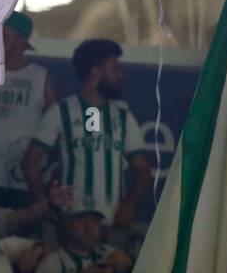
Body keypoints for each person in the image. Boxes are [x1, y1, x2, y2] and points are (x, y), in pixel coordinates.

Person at [24, 38, 153, 229]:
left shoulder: (123, 116)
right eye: (114, 69)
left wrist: (128, 206)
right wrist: (44, 205)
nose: (120, 76)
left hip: (111, 222)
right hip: (70, 223)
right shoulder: (62, 111)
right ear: (96, 71)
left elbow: (143, 169)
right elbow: (29, 162)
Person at [0, 12, 57, 209]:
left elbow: (56, 126)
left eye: (5, 36)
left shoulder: (39, 78)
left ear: (21, 42)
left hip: (24, 182)